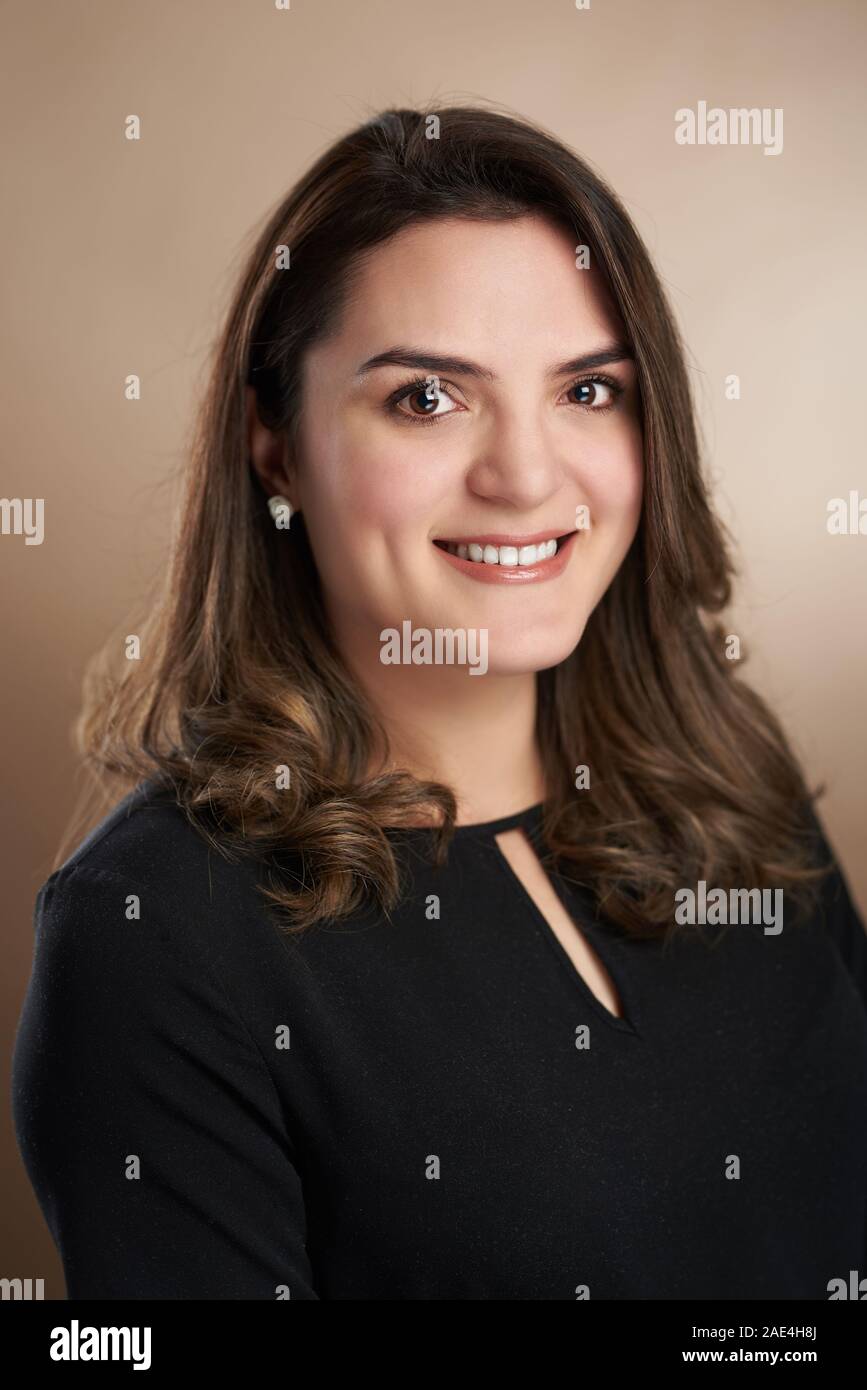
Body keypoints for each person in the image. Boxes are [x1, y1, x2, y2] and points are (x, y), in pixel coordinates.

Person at [12, 104, 867, 1300]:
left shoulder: (727, 771)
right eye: (426, 397)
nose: (525, 475)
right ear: (275, 444)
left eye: (587, 391)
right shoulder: (157, 931)